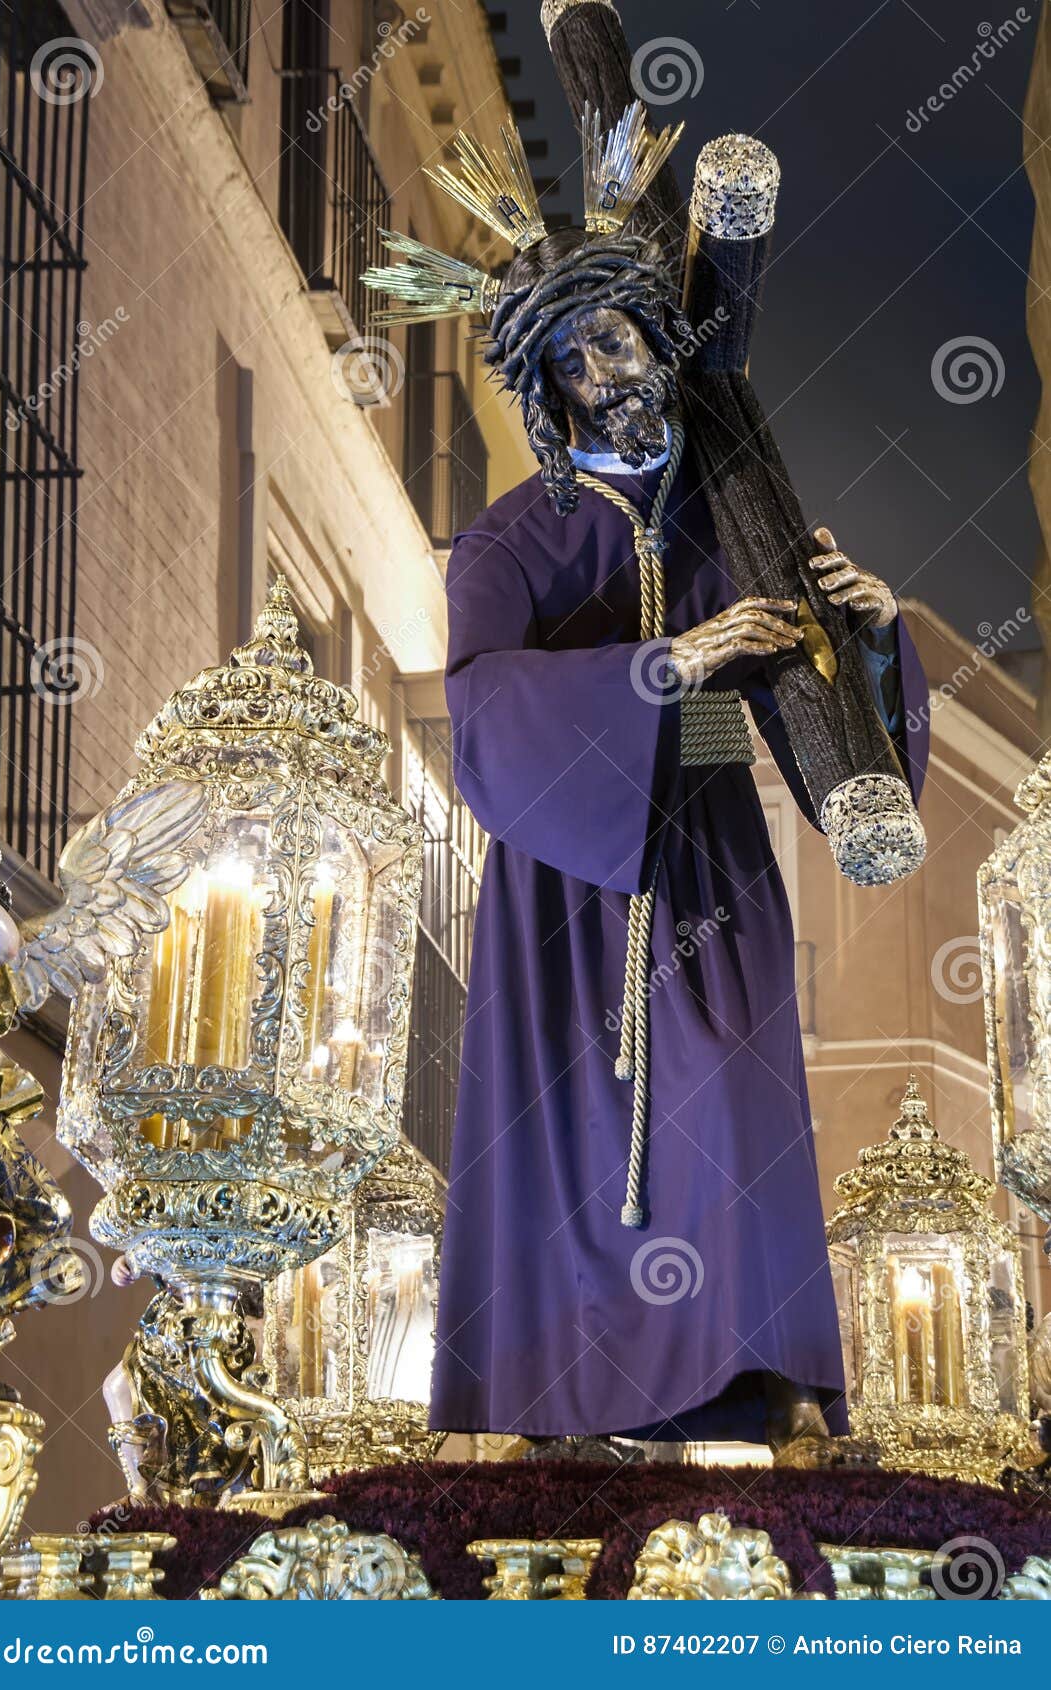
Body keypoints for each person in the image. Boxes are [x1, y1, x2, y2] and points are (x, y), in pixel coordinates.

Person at [364, 108, 929, 1453]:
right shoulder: (509, 537)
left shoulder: (732, 513)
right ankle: (564, 1416)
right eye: (569, 360)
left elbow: (816, 729)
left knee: (731, 1092)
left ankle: (760, 1389)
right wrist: (662, 670)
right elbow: (484, 707)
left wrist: (870, 631)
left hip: (713, 867)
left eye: (615, 338)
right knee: (567, 1138)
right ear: (546, 388)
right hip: (564, 883)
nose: (600, 372)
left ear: (659, 339)